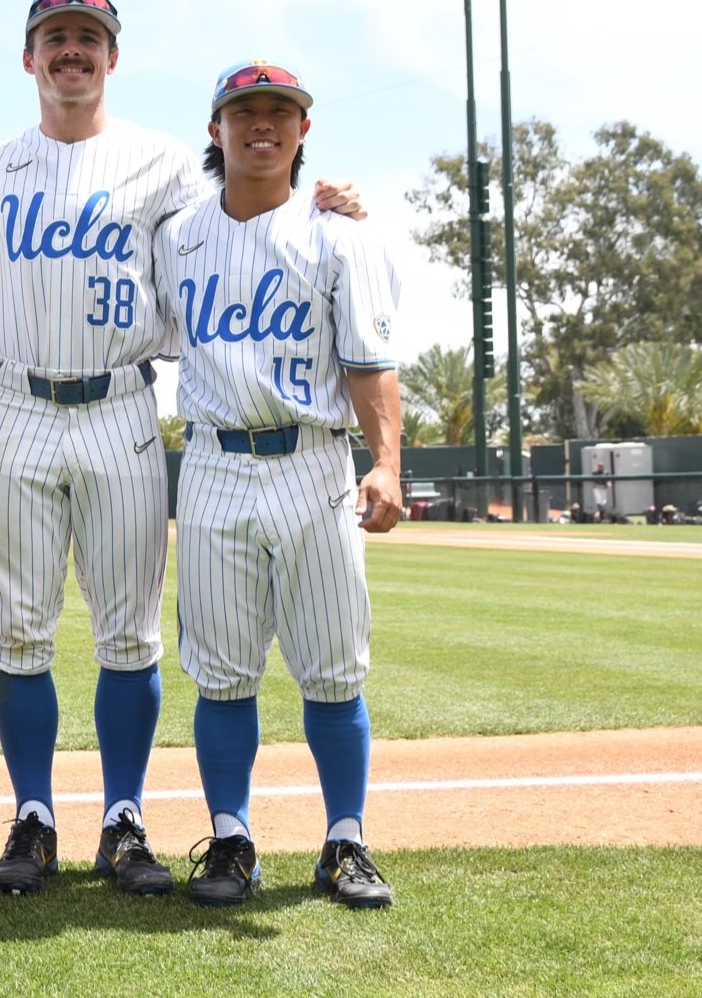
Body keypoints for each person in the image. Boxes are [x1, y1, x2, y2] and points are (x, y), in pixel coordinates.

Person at [0, 0, 364, 898]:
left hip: (122, 408)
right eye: (56, 38)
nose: (73, 52)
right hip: (18, 402)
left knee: (127, 634)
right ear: (29, 57)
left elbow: (251, 212)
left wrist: (325, 197)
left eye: (89, 39)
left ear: (112, 57)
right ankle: (32, 817)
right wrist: (28, 297)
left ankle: (124, 820)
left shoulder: (166, 163)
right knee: (19, 631)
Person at [154, 61, 403, 910]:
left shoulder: (341, 233)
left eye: (280, 112)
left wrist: (388, 462)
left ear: (303, 132)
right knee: (222, 674)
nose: (262, 123)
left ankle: (345, 841)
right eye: (244, 111)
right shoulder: (178, 235)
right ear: (217, 131)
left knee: (334, 671)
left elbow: (372, 364)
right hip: (216, 462)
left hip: (313, 463)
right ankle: (230, 839)